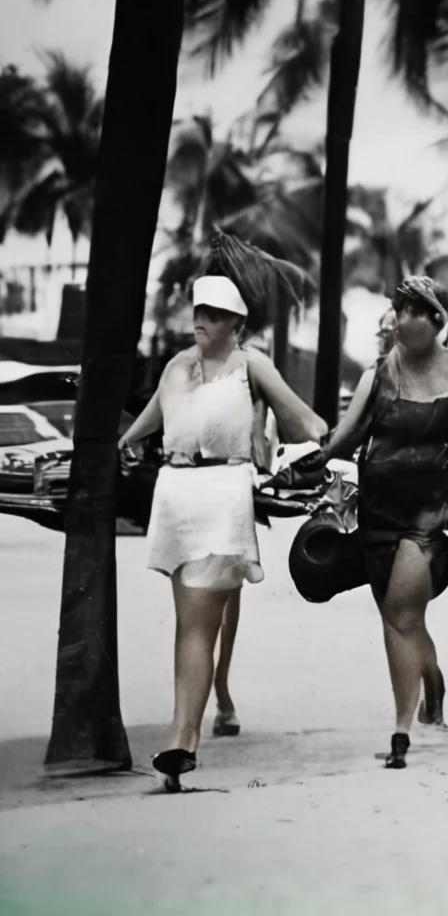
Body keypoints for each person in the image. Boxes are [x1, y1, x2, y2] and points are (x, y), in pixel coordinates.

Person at [119, 260, 327, 791]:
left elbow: (307, 421)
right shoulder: (176, 366)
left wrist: (309, 447)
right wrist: (126, 440)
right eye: (199, 311)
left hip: (223, 493)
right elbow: (155, 414)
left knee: (198, 623)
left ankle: (182, 740)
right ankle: (182, 738)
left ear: (237, 323)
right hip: (176, 495)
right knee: (187, 621)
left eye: (214, 313)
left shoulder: (250, 364)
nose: (202, 320)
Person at [323, 276, 448, 770]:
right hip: (377, 512)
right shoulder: (377, 374)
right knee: (400, 619)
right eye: (398, 311)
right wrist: (308, 459)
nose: (401, 320)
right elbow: (343, 438)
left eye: (413, 311)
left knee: (402, 614)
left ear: (438, 320)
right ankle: (433, 683)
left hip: (428, 516)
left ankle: (400, 731)